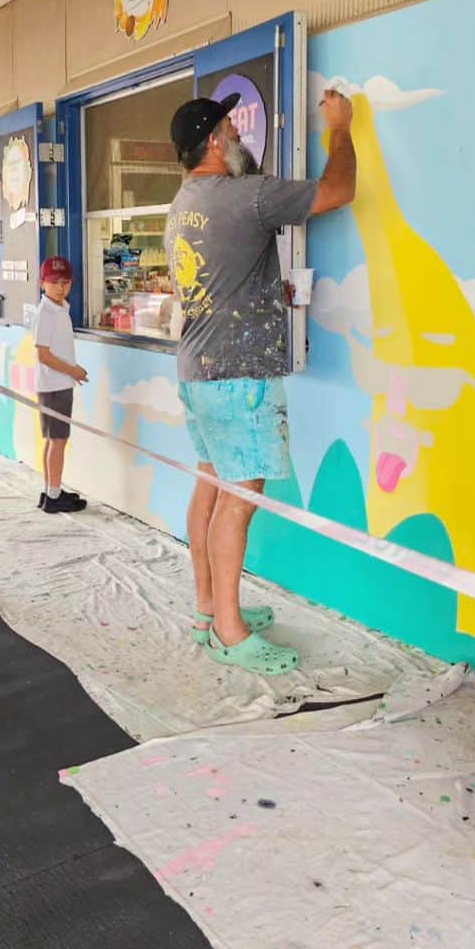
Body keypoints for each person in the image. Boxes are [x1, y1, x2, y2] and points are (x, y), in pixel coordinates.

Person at [166, 89, 356, 675]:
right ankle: (229, 631)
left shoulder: (182, 202)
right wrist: (341, 128)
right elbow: (339, 190)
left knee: (210, 487)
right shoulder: (245, 195)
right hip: (238, 376)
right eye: (231, 128)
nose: (238, 136)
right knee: (239, 500)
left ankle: (209, 609)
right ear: (214, 141)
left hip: (197, 369)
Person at [33, 256, 88, 514]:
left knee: (53, 439)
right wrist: (73, 371)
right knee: (58, 440)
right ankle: (54, 496)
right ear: (42, 283)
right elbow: (43, 354)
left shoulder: (59, 308)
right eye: (54, 282)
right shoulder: (46, 312)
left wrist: (71, 372)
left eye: (65, 282)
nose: (60, 287)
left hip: (57, 383)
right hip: (54, 386)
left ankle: (50, 490)